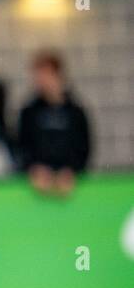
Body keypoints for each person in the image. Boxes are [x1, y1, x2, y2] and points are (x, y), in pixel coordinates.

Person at [18, 51, 91, 197]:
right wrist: (34, 169)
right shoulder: (29, 112)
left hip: (70, 184)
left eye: (44, 74)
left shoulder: (75, 111)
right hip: (38, 184)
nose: (40, 80)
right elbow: (22, 146)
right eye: (38, 75)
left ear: (57, 75)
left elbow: (84, 147)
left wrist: (72, 170)